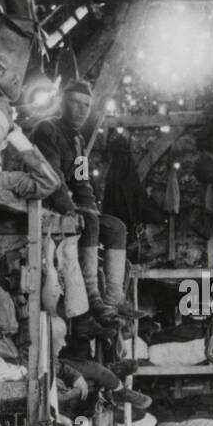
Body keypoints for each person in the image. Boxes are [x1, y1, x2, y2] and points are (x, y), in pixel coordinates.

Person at [30, 80, 142, 329]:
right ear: (62, 103)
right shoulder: (47, 130)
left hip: (65, 206)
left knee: (116, 227)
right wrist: (72, 210)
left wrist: (89, 206)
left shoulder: (78, 141)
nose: (81, 110)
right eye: (75, 102)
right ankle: (93, 296)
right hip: (43, 204)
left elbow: (81, 182)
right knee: (89, 220)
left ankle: (114, 298)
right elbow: (52, 178)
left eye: (86, 105)